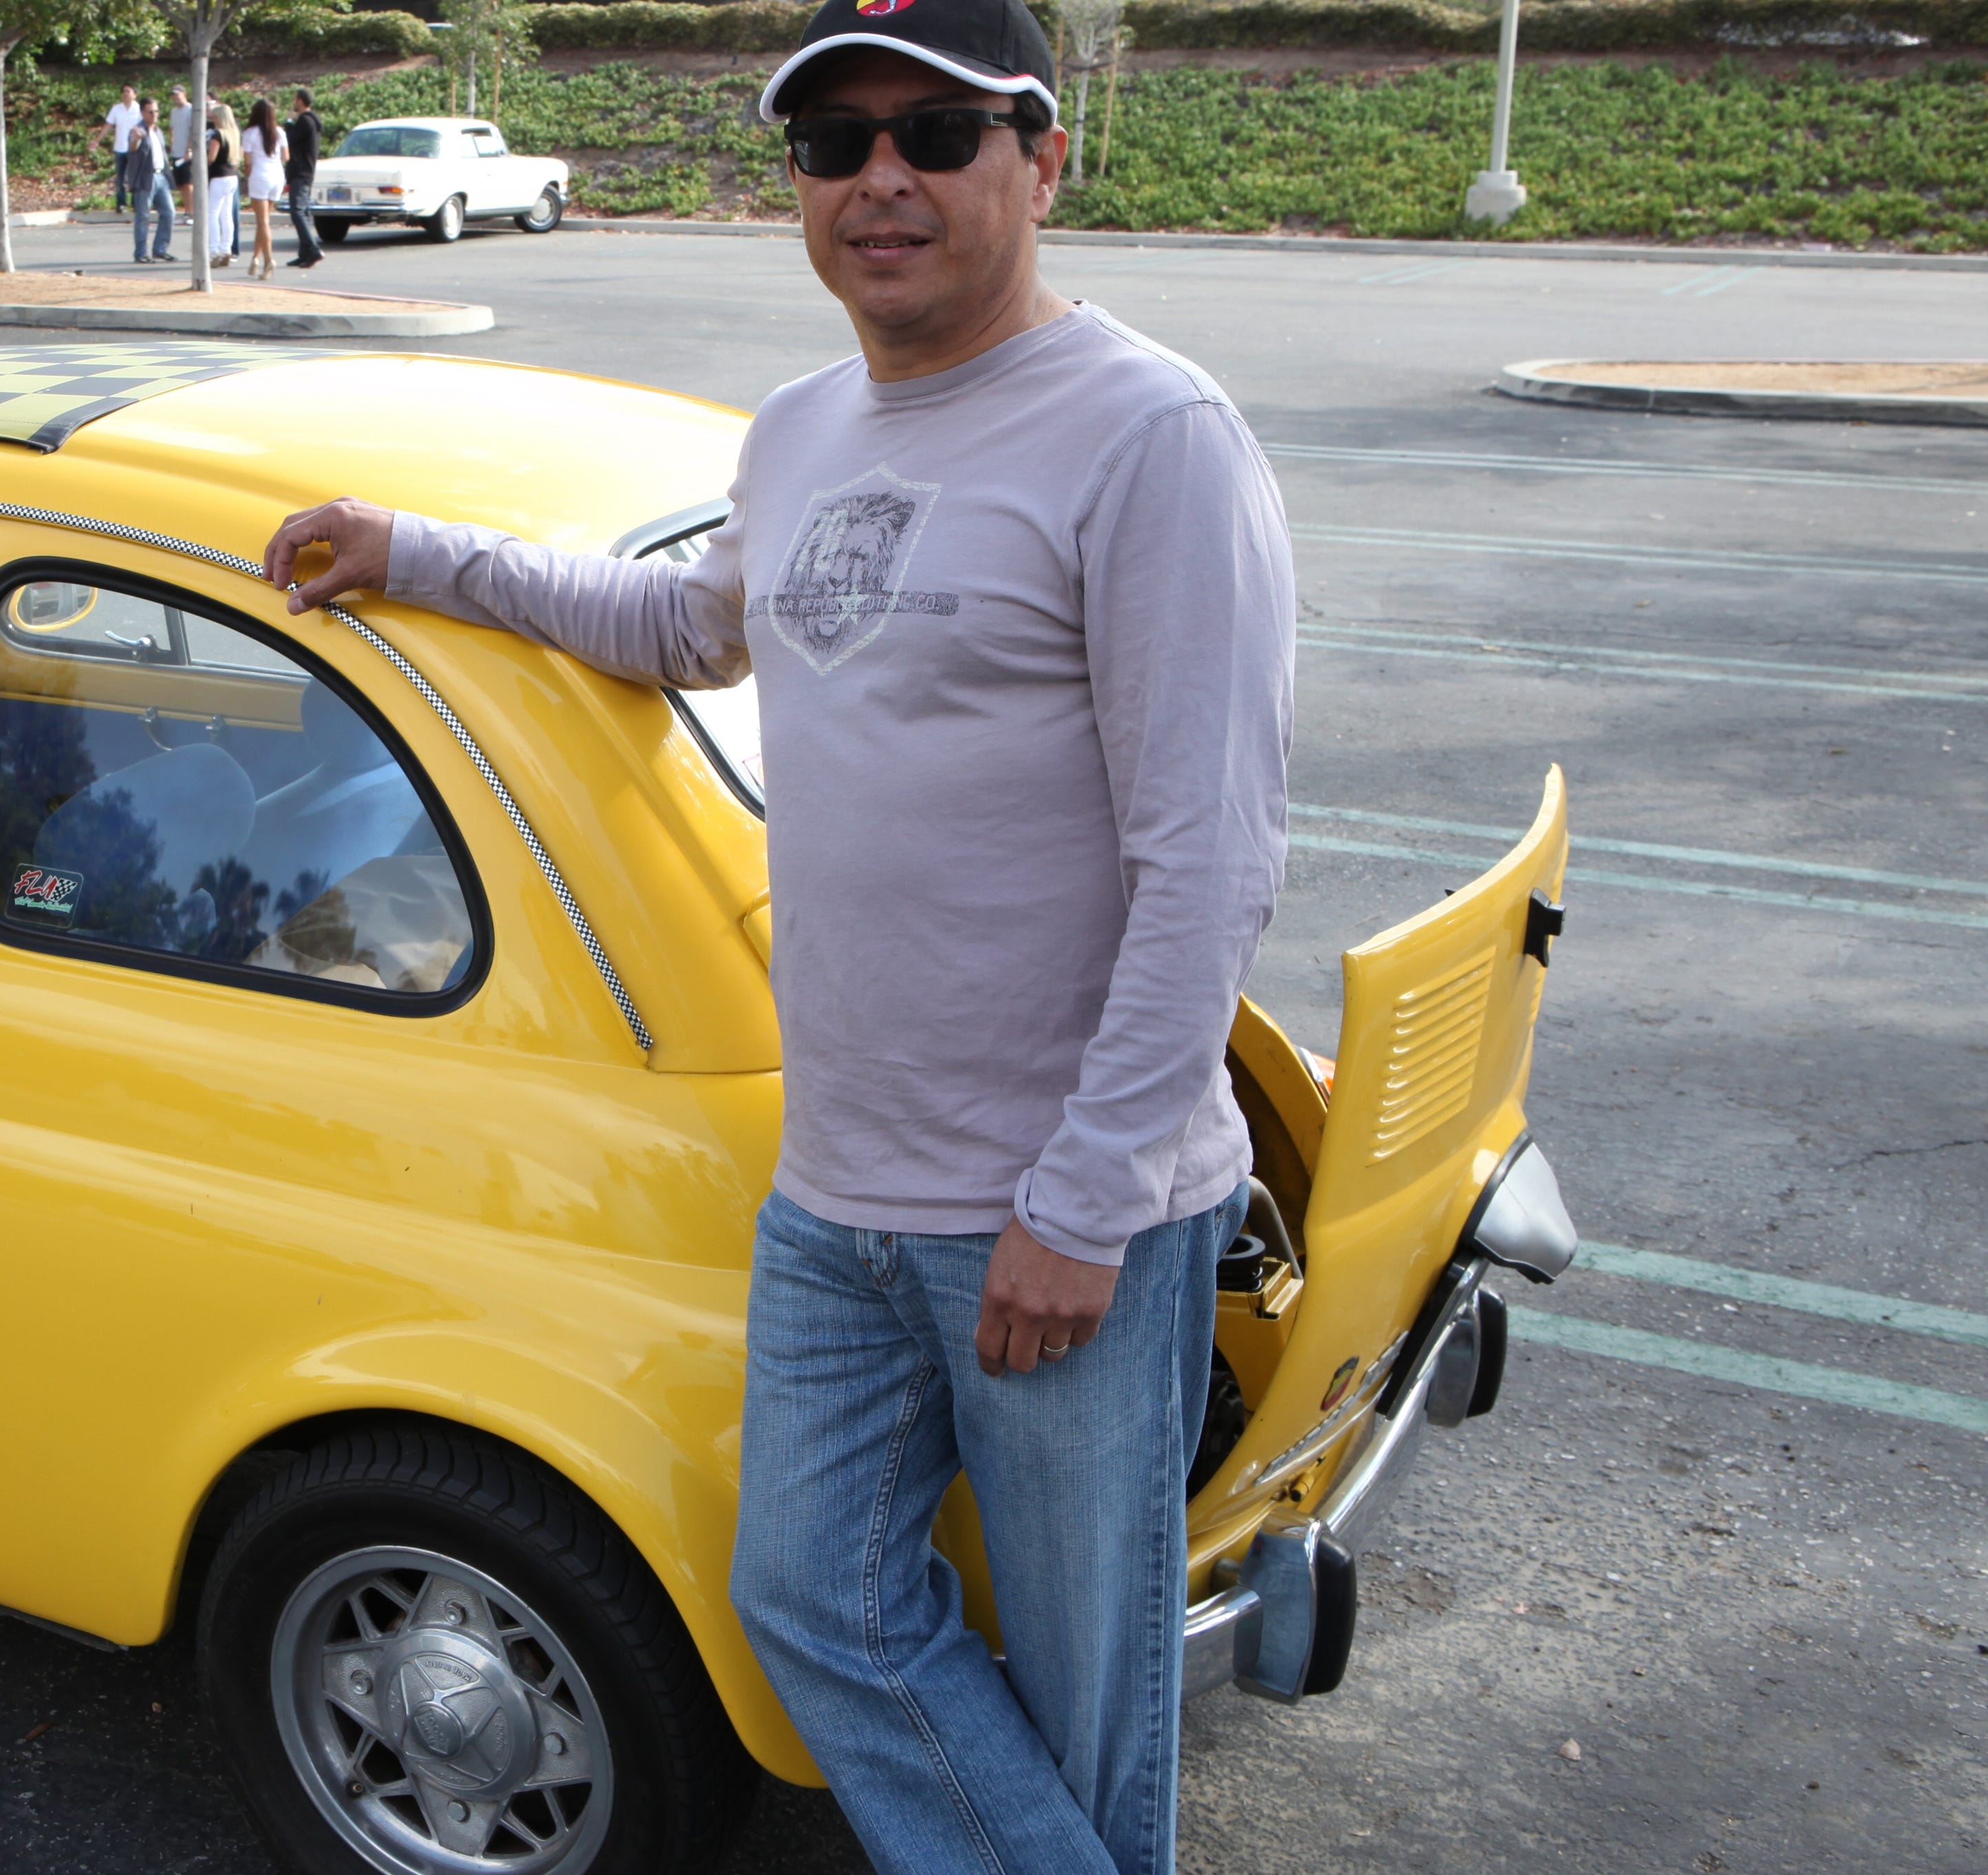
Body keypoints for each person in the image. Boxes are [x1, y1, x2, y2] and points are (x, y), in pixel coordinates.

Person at [261, 0, 1295, 1868]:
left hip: (1065, 1210)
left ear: (1044, 160)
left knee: (1086, 1696)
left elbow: (1207, 858)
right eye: (835, 144)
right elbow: (680, 628)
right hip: (837, 1195)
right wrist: (417, 555)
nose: (881, 179)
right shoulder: (809, 427)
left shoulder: (1152, 437)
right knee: (814, 1601)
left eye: (938, 134)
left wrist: (1086, 1194)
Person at [239, 97, 282, 279]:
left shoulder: (250, 133)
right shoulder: (279, 131)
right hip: (277, 174)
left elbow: (247, 162)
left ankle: (269, 259)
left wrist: (248, 175)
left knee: (263, 221)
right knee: (263, 221)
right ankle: (256, 258)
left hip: (260, 175)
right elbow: (286, 155)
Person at [125, 99, 172, 264]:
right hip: (146, 178)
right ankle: (141, 253)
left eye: (156, 111)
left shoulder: (158, 131)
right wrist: (136, 140)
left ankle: (160, 249)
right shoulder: (138, 130)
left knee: (169, 213)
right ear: (143, 113)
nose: (154, 115)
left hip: (161, 177)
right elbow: (132, 148)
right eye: (150, 112)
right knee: (143, 216)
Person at [282, 89, 325, 268]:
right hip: (307, 171)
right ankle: (304, 253)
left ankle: (313, 249)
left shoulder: (305, 121)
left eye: (295, 99)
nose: (293, 102)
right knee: (304, 212)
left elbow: (290, 139)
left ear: (300, 101)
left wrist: (288, 122)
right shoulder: (313, 121)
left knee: (298, 212)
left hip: (300, 172)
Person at [201, 103, 238, 266]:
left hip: (218, 177)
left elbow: (211, 158)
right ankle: (226, 249)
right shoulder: (234, 134)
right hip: (232, 176)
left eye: (214, 116)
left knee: (212, 214)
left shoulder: (218, 135)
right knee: (226, 215)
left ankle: (214, 250)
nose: (212, 119)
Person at [103, 82, 143, 211]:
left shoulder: (139, 110)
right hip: (120, 148)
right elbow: (108, 125)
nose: (125, 94)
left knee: (135, 177)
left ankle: (136, 203)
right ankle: (121, 203)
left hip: (135, 149)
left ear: (135, 95)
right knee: (120, 178)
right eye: (124, 91)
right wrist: (97, 140)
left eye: (128, 91)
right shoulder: (116, 109)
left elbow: (145, 128)